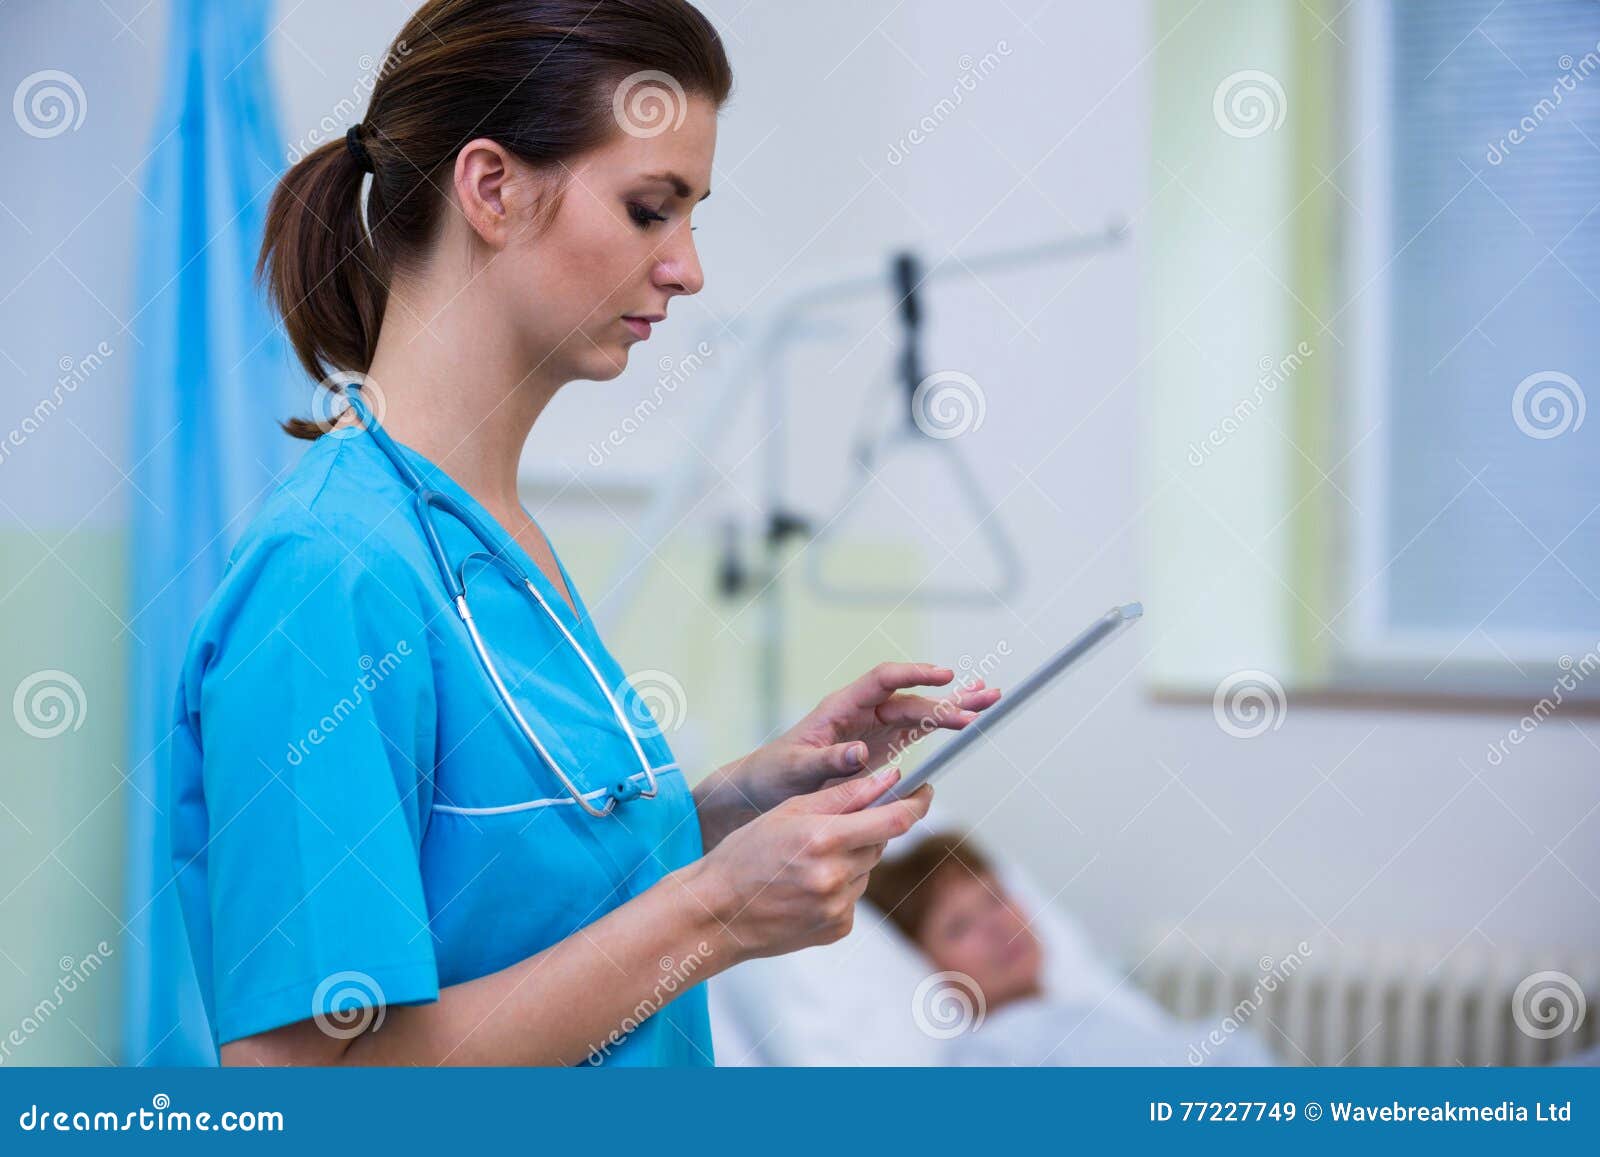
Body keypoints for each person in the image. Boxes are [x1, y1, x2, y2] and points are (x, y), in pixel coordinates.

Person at [166, 0, 1003, 1068]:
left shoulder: (495, 535)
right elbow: (311, 1084)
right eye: (652, 209)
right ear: (492, 188)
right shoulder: (329, 572)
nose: (689, 268)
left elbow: (516, 891)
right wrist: (713, 915)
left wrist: (739, 806)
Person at [864, 833, 1275, 1066]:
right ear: (925, 963)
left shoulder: (1093, 1014)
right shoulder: (990, 1055)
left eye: (996, 898)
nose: (995, 924)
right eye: (959, 927)